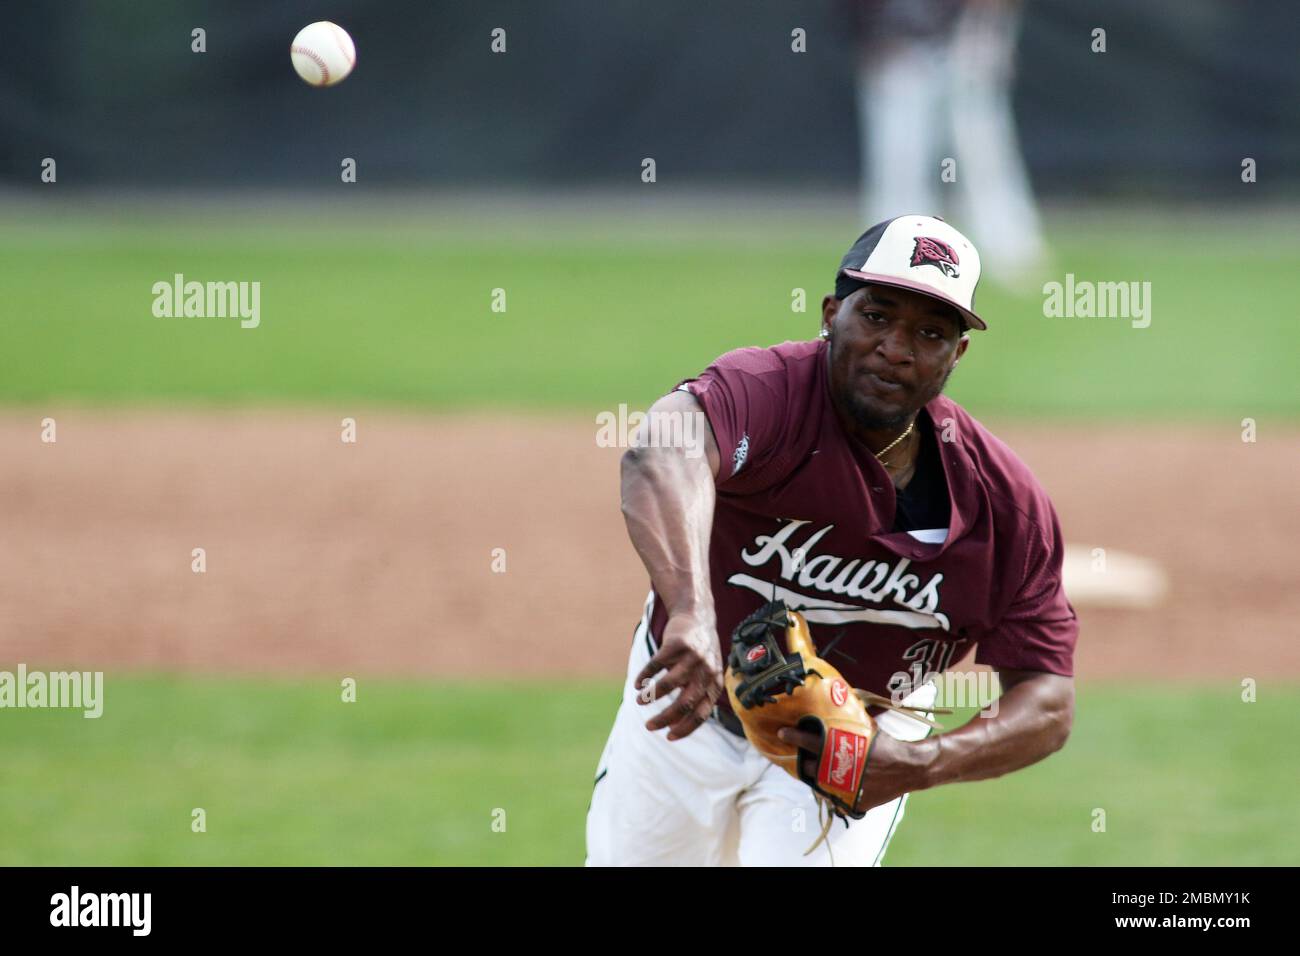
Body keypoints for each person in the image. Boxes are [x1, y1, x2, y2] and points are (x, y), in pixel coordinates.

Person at [585, 215, 1077, 867]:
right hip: (687, 705)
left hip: (856, 736)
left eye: (930, 332)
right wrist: (690, 611)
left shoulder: (1001, 503)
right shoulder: (770, 393)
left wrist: (922, 762)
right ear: (831, 314)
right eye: (877, 316)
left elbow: (1047, 699)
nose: (896, 349)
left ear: (957, 355)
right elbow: (661, 452)